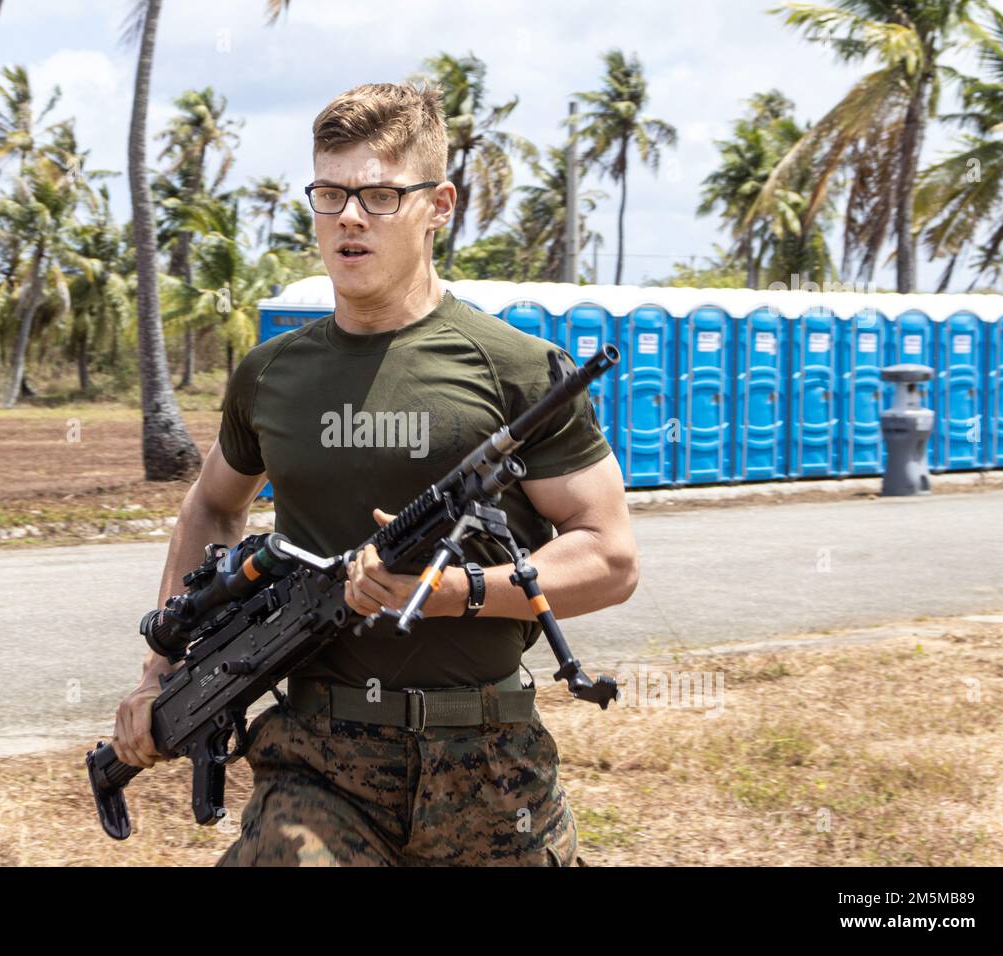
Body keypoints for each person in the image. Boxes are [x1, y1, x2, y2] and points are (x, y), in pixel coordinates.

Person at [110, 81, 639, 866]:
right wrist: (161, 671)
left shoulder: (518, 371)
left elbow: (610, 557)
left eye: (381, 194)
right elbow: (212, 511)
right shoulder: (271, 375)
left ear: (440, 205)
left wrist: (450, 594)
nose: (349, 216)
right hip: (318, 760)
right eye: (330, 193)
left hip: (489, 764)